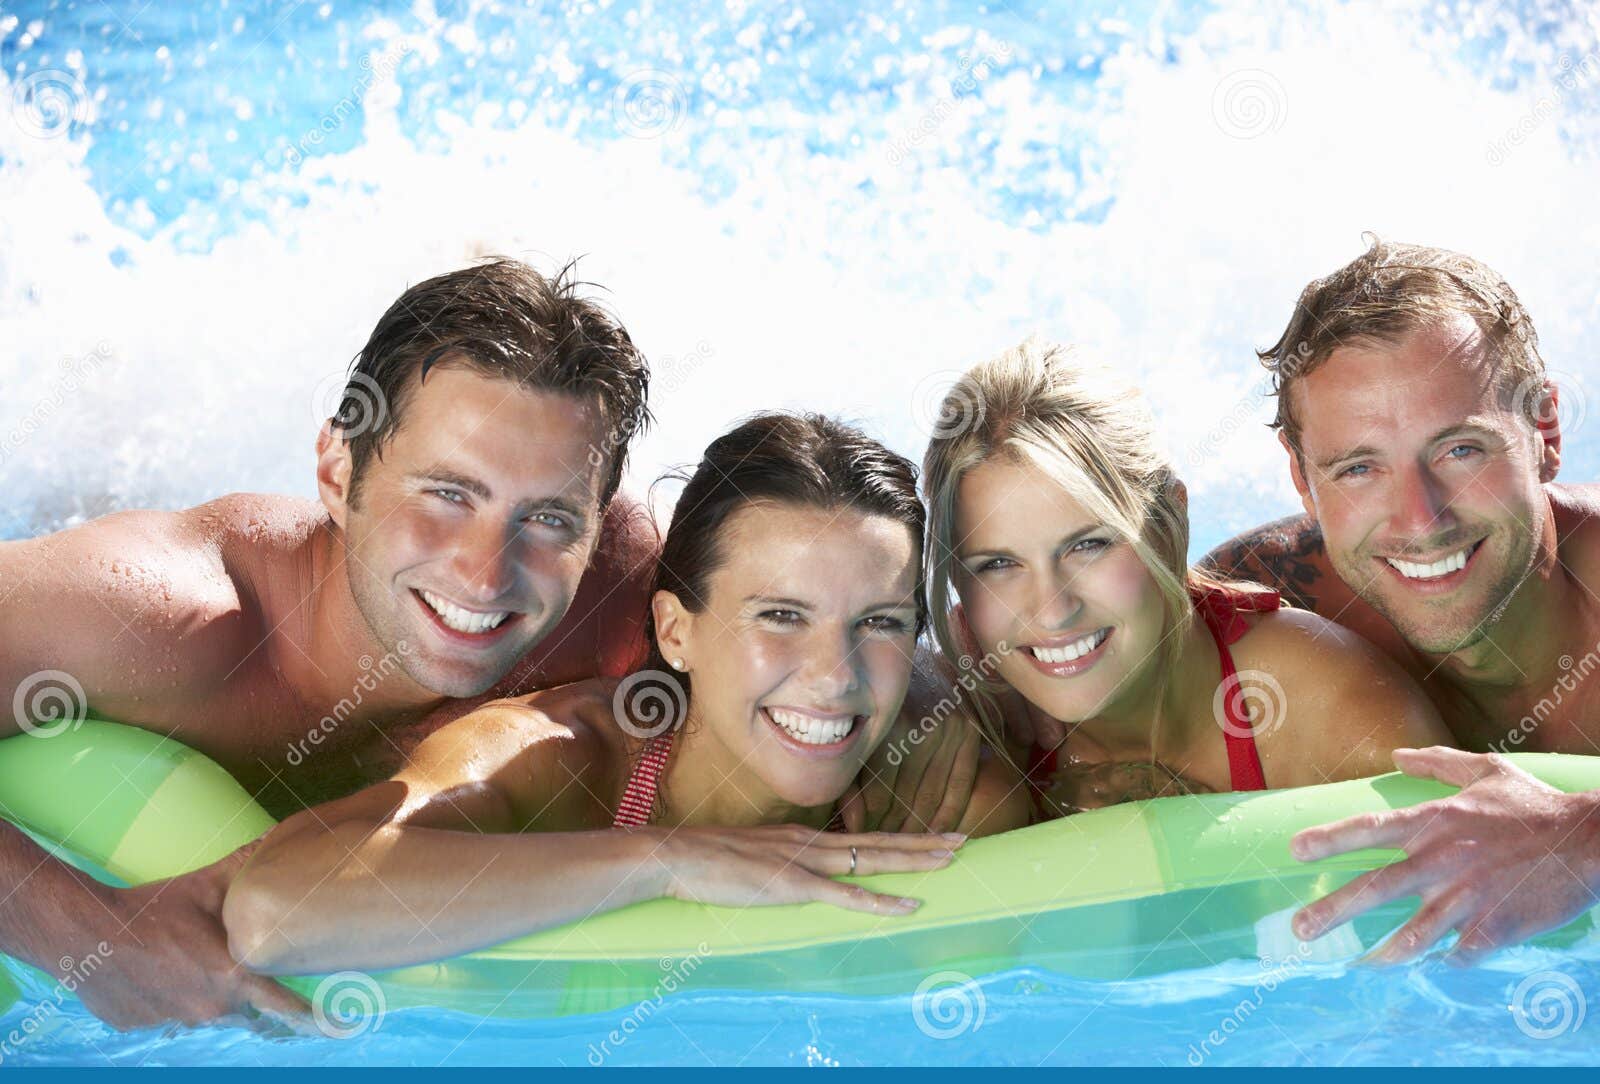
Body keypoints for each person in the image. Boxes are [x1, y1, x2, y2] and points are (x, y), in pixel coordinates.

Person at [0, 258, 661, 1026]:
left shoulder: (619, 605)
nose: (487, 576)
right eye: (448, 493)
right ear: (336, 468)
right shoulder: (158, 618)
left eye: (548, 519)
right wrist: (93, 936)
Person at [222, 414, 1030, 973]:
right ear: (677, 632)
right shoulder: (555, 764)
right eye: (782, 615)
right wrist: (668, 860)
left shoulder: (942, 799)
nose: (836, 675)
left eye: (880, 622)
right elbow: (274, 911)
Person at [1202, 236, 1600, 961]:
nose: (1421, 520)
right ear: (1302, 479)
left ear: (1544, 429)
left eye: (1459, 450)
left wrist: (1582, 834)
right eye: (1359, 468)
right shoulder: (1268, 600)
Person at [918, 338, 1452, 818]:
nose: (1052, 611)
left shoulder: (1325, 713)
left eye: (1088, 545)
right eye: (998, 565)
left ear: (1170, 522)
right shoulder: (956, 724)